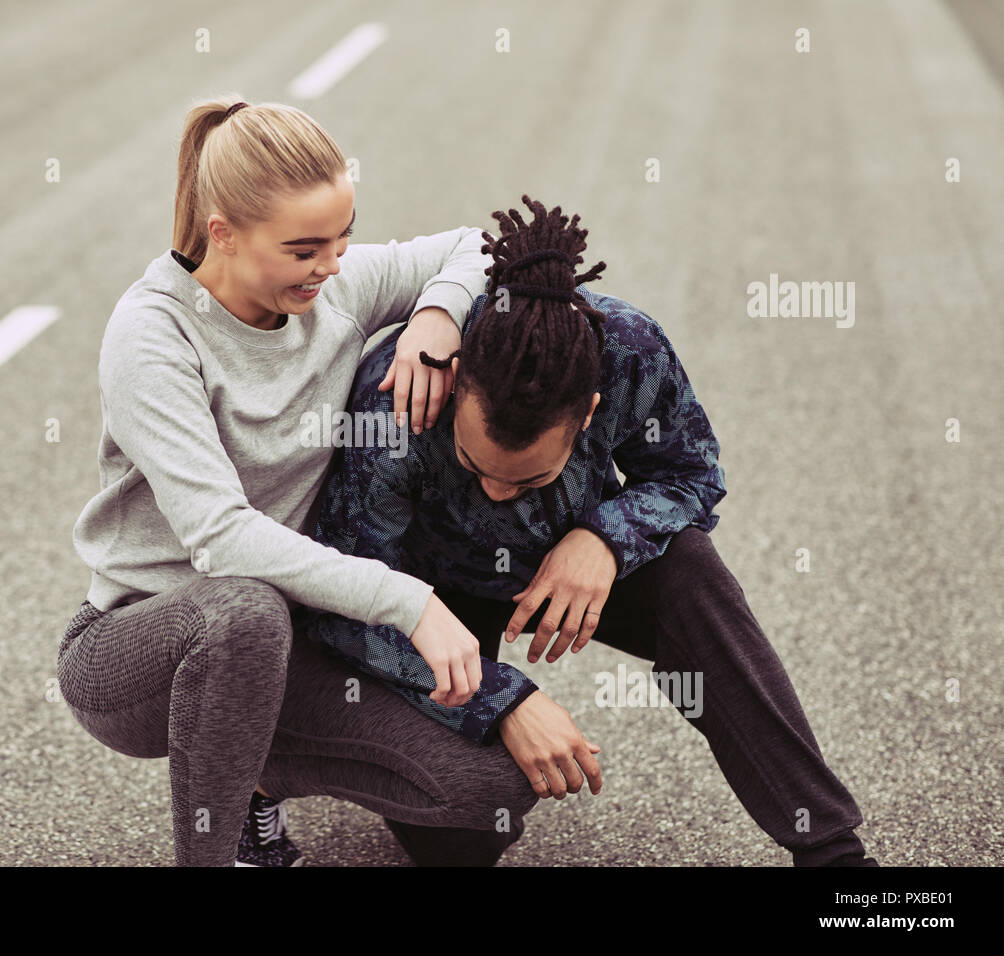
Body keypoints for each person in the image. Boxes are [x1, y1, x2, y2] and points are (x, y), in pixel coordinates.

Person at [297, 195, 879, 866]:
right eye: (475, 466)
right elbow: (345, 601)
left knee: (691, 571)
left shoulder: (629, 352)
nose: (496, 491)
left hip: (566, 562)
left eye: (527, 480)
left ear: (589, 414)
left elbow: (691, 473)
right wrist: (502, 699)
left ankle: (833, 856)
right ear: (455, 390)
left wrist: (606, 537)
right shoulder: (395, 402)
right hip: (433, 605)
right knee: (466, 829)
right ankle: (313, 770)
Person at [56, 94, 539, 867]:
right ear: (224, 233)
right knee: (242, 613)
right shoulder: (151, 335)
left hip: (284, 643)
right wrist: (409, 602)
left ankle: (246, 777)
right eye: (306, 249)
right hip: (137, 651)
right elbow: (219, 539)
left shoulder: (331, 291)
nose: (333, 265)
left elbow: (481, 245)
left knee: (491, 790)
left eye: (343, 237)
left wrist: (436, 317)